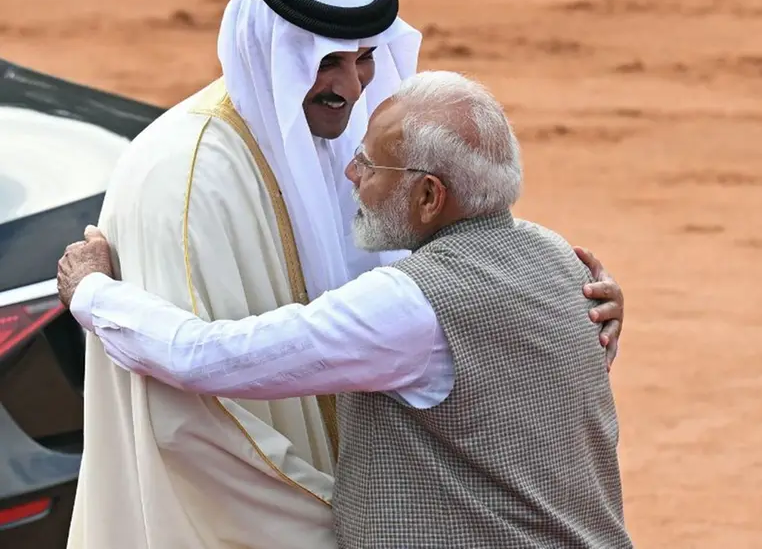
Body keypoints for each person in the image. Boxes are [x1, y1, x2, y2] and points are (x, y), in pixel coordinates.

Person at [58, 70, 633, 548]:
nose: (349, 175)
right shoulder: (559, 259)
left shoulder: (407, 306)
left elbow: (205, 357)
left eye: (369, 164)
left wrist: (93, 294)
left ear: (430, 196)